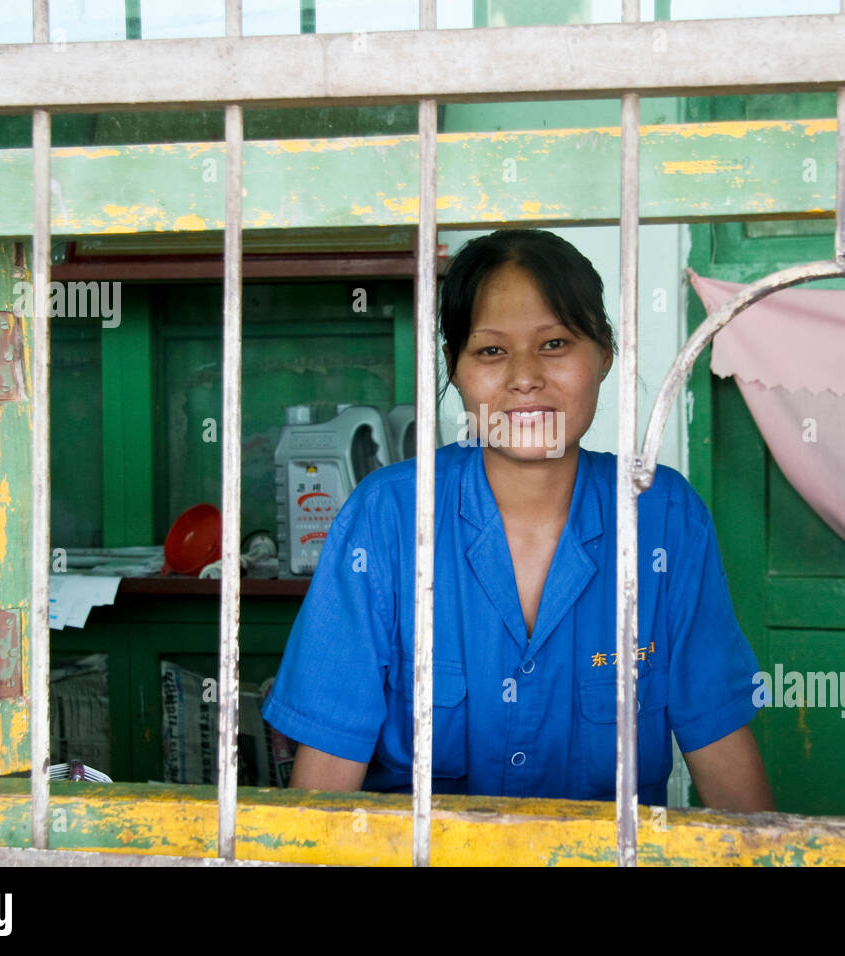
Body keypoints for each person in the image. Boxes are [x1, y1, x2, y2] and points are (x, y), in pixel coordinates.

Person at [261, 229, 774, 811]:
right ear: (453, 368)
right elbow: (325, 787)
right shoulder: (388, 521)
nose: (524, 377)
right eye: (491, 351)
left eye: (554, 344)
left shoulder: (664, 519)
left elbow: (722, 752)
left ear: (603, 354)